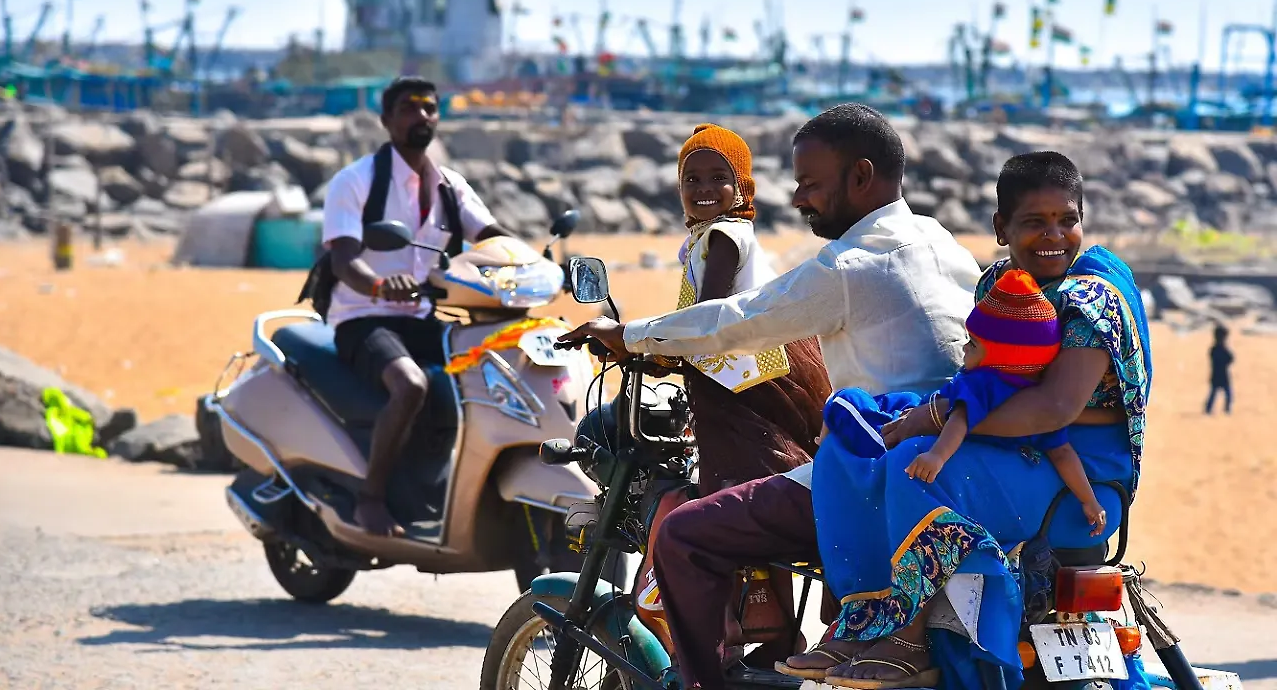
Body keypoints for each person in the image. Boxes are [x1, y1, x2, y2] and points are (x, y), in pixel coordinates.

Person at [560, 103, 984, 690]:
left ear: (860, 177)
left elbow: (739, 319)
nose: (799, 197)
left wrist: (628, 335)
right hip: (967, 461)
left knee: (685, 534)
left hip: (883, 471)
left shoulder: (849, 266)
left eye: (810, 183)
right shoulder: (940, 242)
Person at [797, 151, 1153, 689]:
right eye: (1035, 222)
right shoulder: (999, 286)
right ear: (1001, 228)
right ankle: (864, 618)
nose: (1054, 235)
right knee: (853, 440)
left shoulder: (1091, 300)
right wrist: (914, 412)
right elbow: (980, 376)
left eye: (1067, 220)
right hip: (1006, 447)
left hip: (1075, 466)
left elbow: (1055, 409)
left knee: (919, 464)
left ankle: (908, 638)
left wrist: (936, 418)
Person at [632, 123, 832, 670]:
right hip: (735, 378)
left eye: (718, 178)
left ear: (742, 189)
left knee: (733, 492)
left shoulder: (727, 236)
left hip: (745, 388)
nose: (702, 188)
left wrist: (645, 339)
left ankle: (715, 644)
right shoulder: (705, 236)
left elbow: (710, 314)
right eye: (690, 178)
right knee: (746, 493)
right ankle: (769, 635)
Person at [322, 77, 513, 536]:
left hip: (424, 317)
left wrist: (538, 266)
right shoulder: (356, 181)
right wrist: (379, 286)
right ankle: (370, 498)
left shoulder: (450, 186)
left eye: (429, 108)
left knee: (499, 367)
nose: (421, 116)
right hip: (363, 318)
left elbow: (492, 238)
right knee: (409, 385)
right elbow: (344, 258)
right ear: (386, 120)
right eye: (409, 108)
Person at [817, 268, 1107, 540]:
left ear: (1002, 356)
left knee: (846, 402)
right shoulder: (1033, 398)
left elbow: (959, 419)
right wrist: (1089, 500)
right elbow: (1063, 454)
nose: (964, 348)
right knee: (901, 401)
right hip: (938, 417)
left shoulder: (983, 383)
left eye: (973, 343)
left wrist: (936, 457)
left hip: (921, 438)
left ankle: (826, 437)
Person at [1205, 324, 1233, 414]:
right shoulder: (1217, 349)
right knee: (1221, 394)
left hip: (1218, 375)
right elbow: (1230, 358)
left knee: (1217, 394)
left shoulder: (1214, 349)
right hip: (1221, 375)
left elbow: (1230, 358)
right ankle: (1211, 409)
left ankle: (1224, 409)